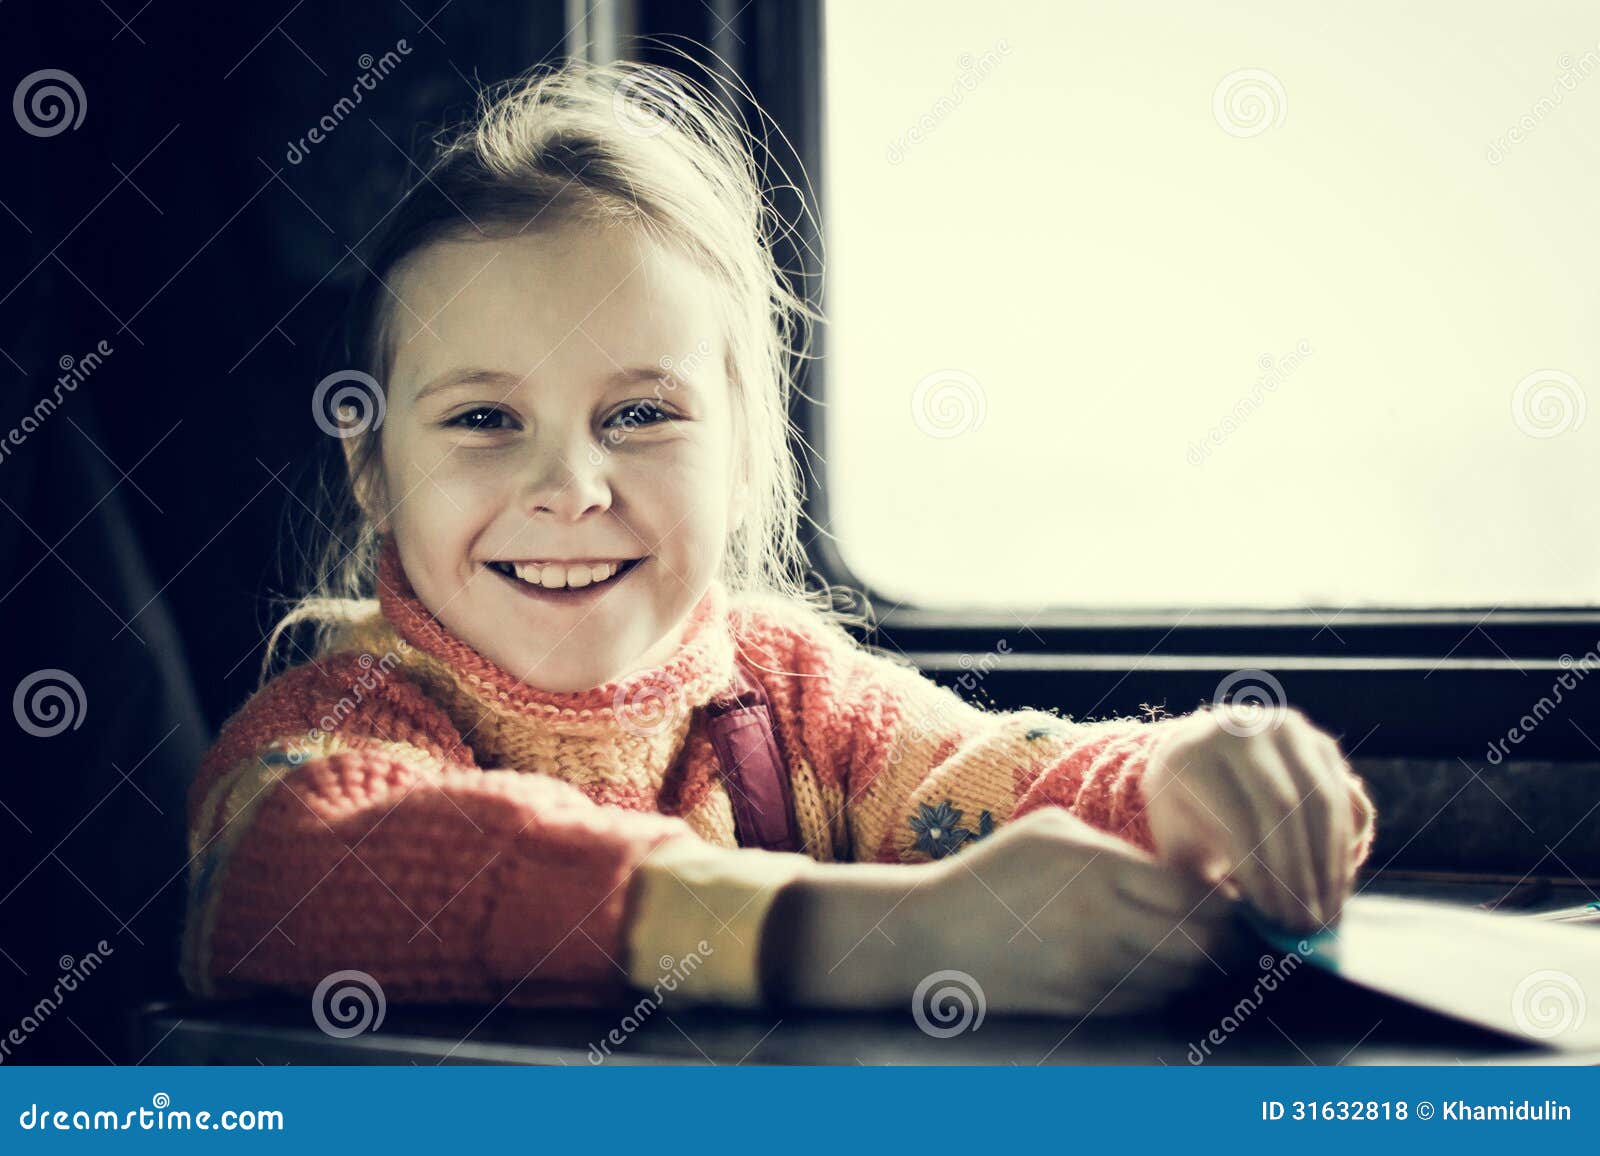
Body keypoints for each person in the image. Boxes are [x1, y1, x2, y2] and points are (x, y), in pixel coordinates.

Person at [181, 58, 1376, 1020]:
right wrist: (871, 935)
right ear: (374, 473)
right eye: (484, 420)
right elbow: (294, 871)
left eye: (640, 415)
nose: (572, 487)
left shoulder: (792, 702)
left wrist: (1175, 782)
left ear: (748, 450)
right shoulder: (342, 721)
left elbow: (990, 777)